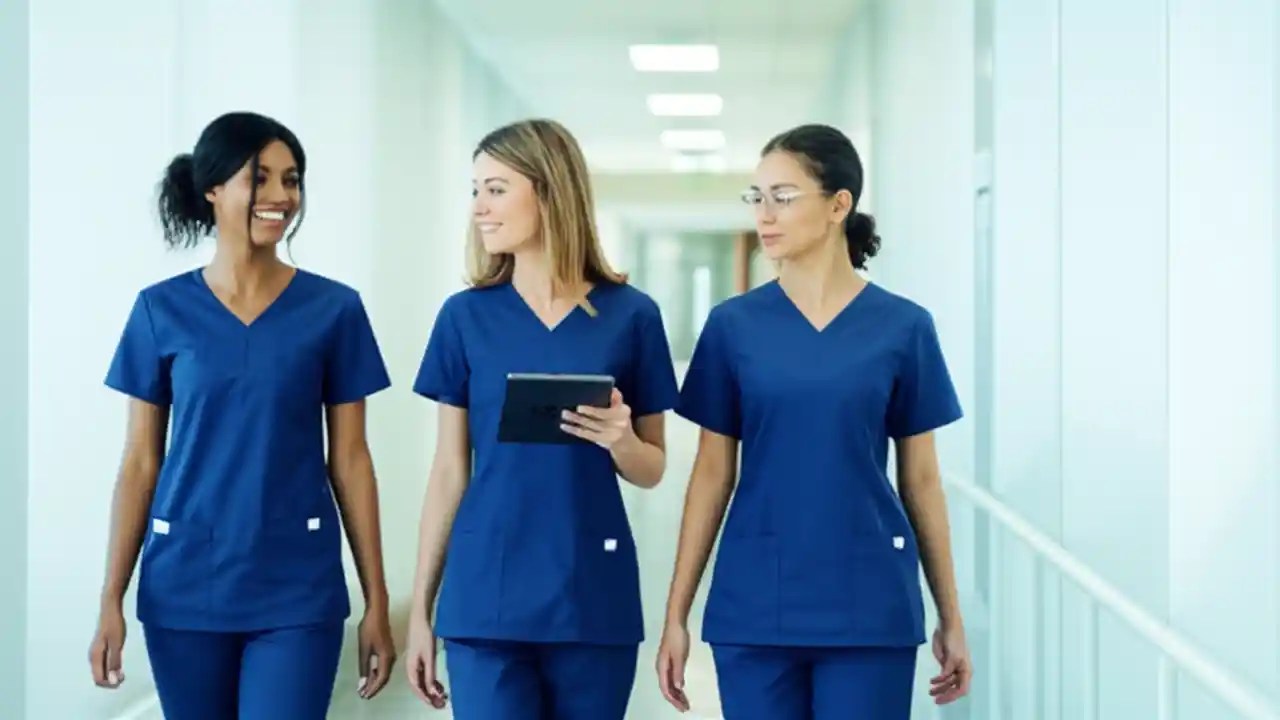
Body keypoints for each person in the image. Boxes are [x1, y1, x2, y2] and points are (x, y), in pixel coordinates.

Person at [655, 124, 973, 719]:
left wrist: (950, 616)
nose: (765, 215)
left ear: (837, 205)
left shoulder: (903, 328)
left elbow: (922, 481)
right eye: (757, 198)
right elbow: (710, 474)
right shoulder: (732, 327)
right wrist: (676, 613)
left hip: (869, 605)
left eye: (784, 196)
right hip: (755, 604)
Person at [88, 111, 397, 719]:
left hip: (297, 587)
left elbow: (353, 462)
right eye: (260, 178)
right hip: (185, 584)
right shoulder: (159, 311)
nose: (281, 196)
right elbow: (141, 463)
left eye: (292, 179)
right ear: (213, 188)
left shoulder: (335, 311)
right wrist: (110, 600)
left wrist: (376, 600)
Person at [403, 118, 679, 719]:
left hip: (591, 593)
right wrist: (421, 612)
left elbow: (652, 468)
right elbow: (450, 471)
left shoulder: (631, 317)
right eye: (475, 190)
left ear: (549, 191)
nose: (480, 207)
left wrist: (620, 438)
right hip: (485, 595)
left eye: (496, 189)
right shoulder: (464, 318)